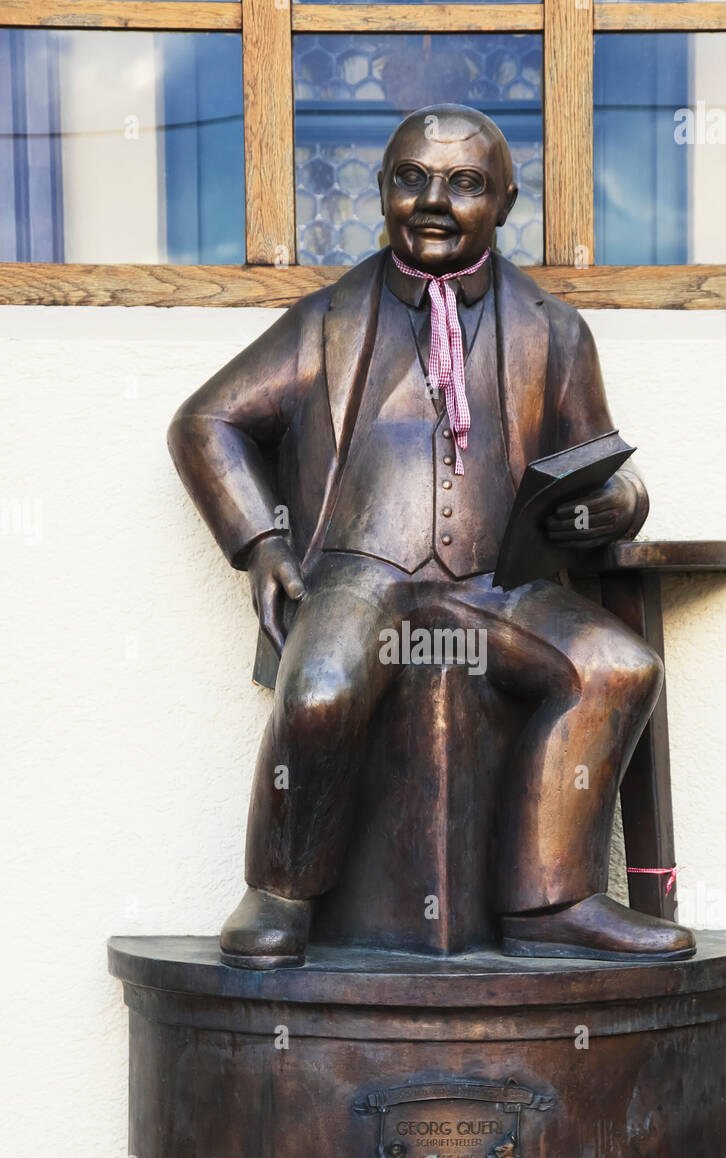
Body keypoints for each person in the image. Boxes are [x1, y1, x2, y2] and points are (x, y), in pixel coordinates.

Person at [169, 103, 697, 969]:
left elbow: (603, 465)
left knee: (616, 666)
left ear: (505, 202)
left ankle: (551, 901)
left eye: (464, 184)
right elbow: (205, 421)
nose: (434, 202)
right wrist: (261, 542)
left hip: (498, 586)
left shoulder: (555, 330)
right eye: (412, 180)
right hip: (361, 576)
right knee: (323, 688)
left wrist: (617, 506)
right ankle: (279, 890)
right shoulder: (328, 320)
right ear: (382, 191)